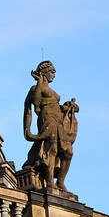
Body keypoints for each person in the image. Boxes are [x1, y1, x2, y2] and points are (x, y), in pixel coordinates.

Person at [22, 60, 78, 194]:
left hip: (59, 120)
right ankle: (50, 182)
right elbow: (33, 106)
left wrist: (68, 107)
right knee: (51, 149)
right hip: (47, 119)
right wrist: (27, 130)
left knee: (67, 151)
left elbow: (56, 105)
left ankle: (60, 181)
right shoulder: (35, 88)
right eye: (52, 72)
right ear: (44, 72)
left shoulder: (50, 90)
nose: (54, 75)